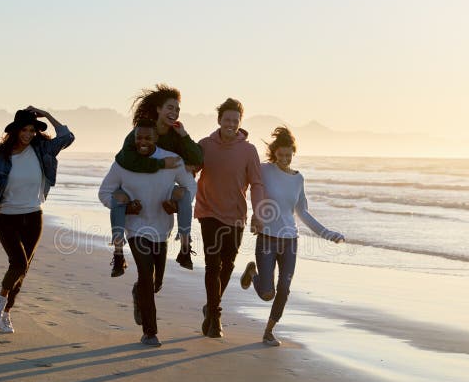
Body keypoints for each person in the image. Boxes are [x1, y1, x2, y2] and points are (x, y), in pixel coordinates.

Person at [240, 127, 344, 346]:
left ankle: (269, 331)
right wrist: (253, 216)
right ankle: (253, 272)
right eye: (281, 154)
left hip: (290, 241)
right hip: (267, 237)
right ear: (274, 152)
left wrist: (328, 234)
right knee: (267, 293)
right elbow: (249, 185)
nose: (285, 159)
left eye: (289, 155)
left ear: (293, 154)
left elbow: (303, 212)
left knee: (284, 289)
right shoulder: (264, 170)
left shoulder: (298, 179)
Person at [98, 119, 197, 347]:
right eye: (138, 138)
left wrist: (175, 202)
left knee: (155, 283)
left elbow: (190, 186)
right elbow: (105, 192)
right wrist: (126, 205)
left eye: (147, 138)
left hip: (162, 228)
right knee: (145, 274)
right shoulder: (124, 163)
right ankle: (150, 332)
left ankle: (139, 293)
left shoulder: (171, 161)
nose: (142, 142)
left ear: (155, 138)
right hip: (135, 228)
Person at [0, 107, 75, 333]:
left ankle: (5, 313)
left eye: (32, 130)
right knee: (19, 263)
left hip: (34, 216)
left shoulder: (42, 149)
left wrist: (45, 113)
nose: (28, 134)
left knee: (22, 268)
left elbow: (67, 137)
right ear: (15, 131)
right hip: (7, 217)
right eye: (24, 130)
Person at [109, 84, 202, 278]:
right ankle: (118, 254)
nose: (174, 112)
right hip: (135, 186)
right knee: (117, 197)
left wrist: (184, 136)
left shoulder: (176, 136)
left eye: (177, 109)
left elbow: (199, 159)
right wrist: (161, 164)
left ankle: (185, 247)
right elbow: (128, 160)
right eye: (170, 107)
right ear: (158, 109)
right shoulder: (141, 132)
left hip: (163, 190)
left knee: (184, 195)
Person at [195, 98, 265, 338]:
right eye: (227, 119)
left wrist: (258, 212)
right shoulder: (205, 145)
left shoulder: (249, 150)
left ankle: (210, 307)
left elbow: (256, 183)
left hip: (236, 215)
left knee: (228, 265)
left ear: (240, 123)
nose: (231, 124)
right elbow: (187, 171)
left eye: (235, 120)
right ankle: (215, 316)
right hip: (208, 212)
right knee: (212, 264)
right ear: (219, 120)